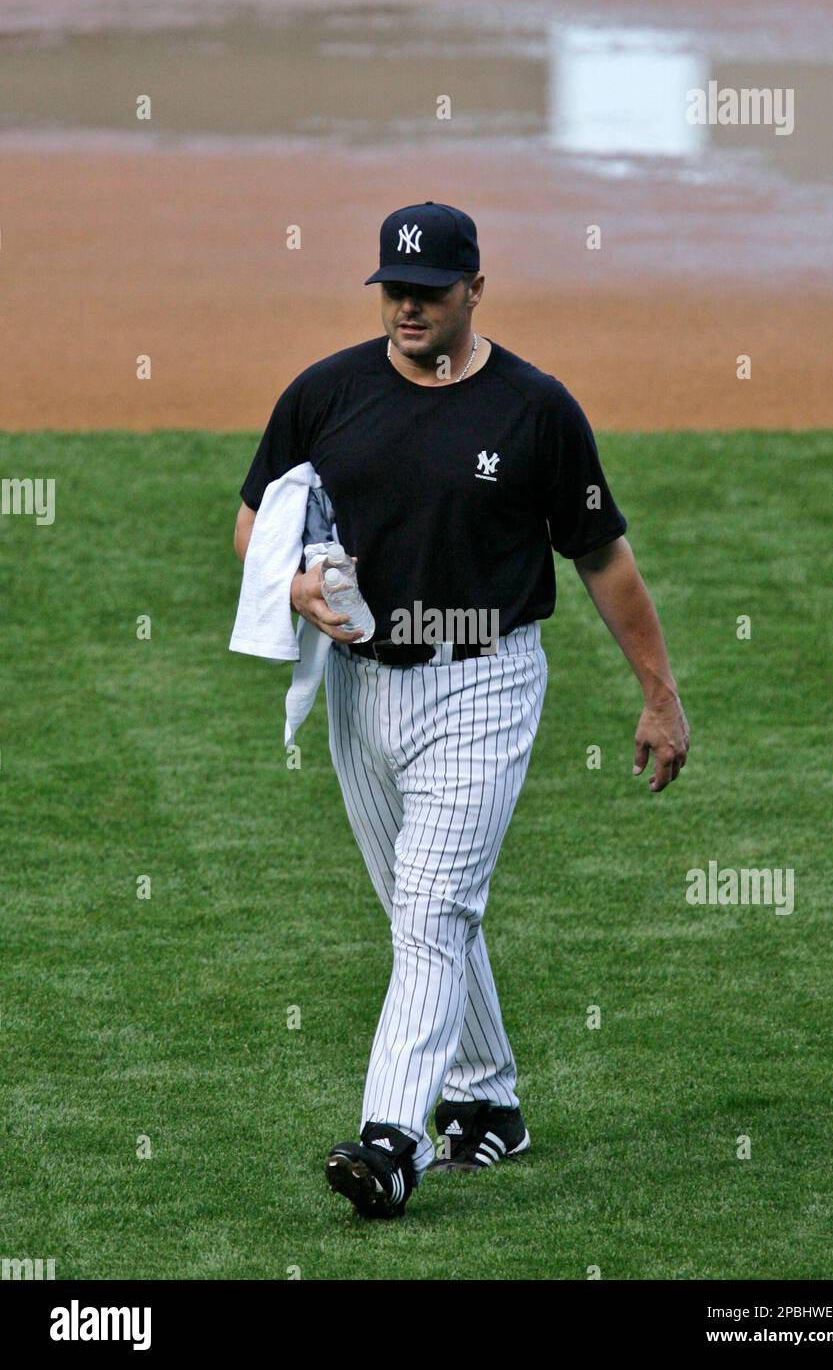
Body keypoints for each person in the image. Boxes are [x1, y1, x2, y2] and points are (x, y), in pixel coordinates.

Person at [233, 202, 690, 1220]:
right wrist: (296, 592)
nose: (408, 305)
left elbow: (602, 556)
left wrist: (660, 694)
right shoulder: (327, 393)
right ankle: (491, 1106)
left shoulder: (535, 410)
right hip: (362, 687)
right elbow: (258, 521)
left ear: (474, 290)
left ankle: (393, 1141)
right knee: (423, 910)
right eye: (395, 288)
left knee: (432, 911)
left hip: (484, 679)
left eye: (430, 290)